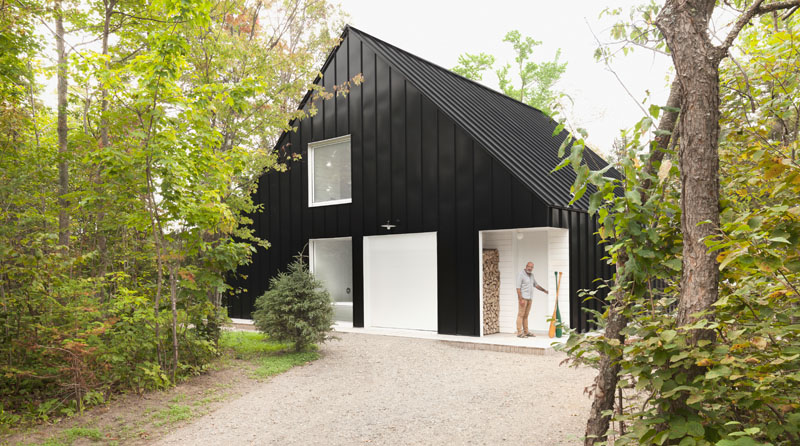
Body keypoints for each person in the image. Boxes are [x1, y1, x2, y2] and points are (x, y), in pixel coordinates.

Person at [516, 261, 548, 337]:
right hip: (523, 298)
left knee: (526, 315)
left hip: (530, 298)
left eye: (531, 267)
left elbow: (536, 285)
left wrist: (544, 290)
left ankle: (526, 331)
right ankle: (519, 332)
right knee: (521, 315)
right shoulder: (521, 275)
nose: (530, 268)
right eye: (529, 266)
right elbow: (518, 288)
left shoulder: (531, 275)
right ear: (526, 266)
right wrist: (520, 299)